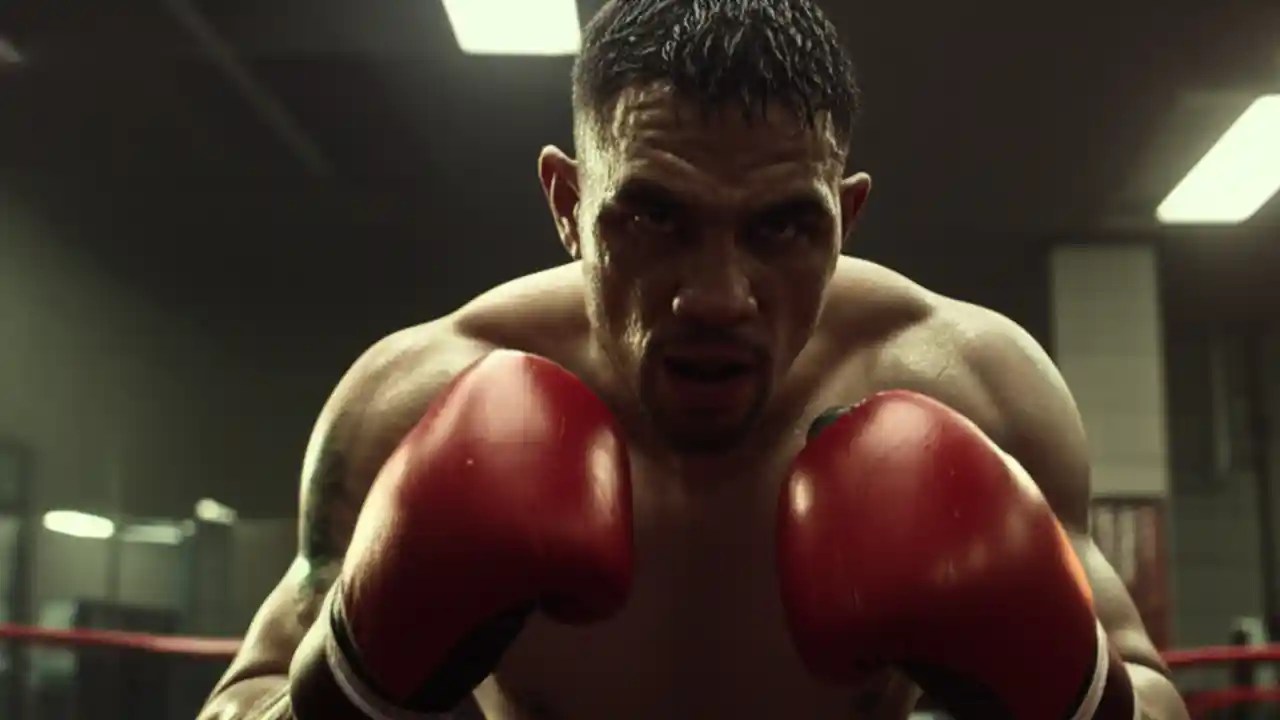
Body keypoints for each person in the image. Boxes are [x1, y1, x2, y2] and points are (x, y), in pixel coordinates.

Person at [198, 1, 1190, 718]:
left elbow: (1148, 697)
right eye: (653, 217)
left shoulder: (975, 388)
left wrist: (1074, 698)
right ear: (565, 203)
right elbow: (241, 702)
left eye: (780, 228)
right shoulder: (413, 399)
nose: (716, 295)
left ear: (842, 219)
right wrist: (352, 687)